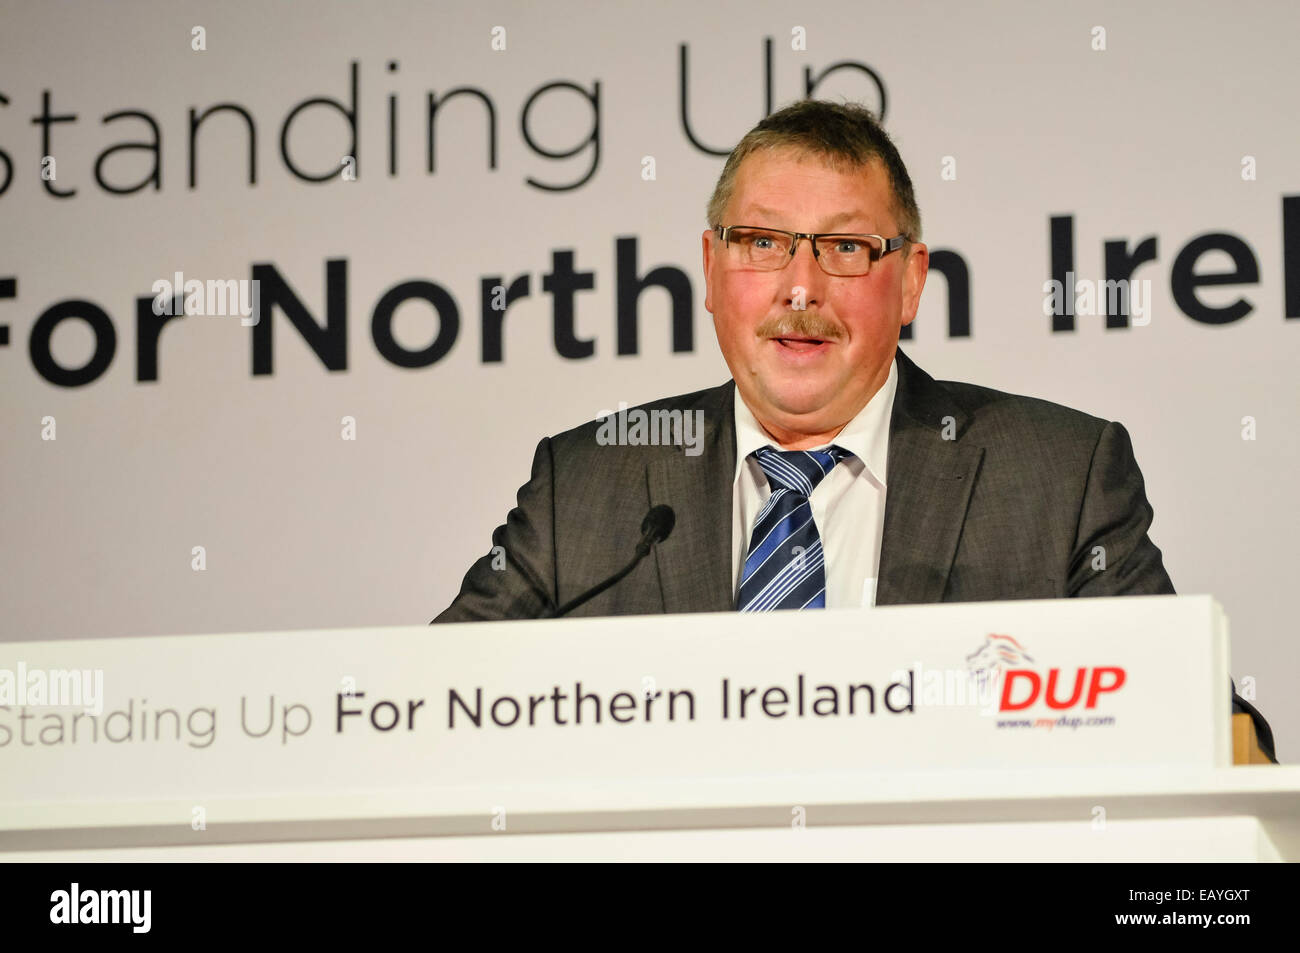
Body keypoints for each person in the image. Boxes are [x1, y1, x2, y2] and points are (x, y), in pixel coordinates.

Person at [431, 99, 1176, 624]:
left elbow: (1202, 721)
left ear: (911, 280)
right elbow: (429, 708)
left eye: (845, 249)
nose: (801, 286)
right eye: (763, 242)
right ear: (710, 267)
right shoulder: (589, 490)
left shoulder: (1060, 477)